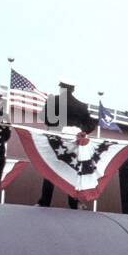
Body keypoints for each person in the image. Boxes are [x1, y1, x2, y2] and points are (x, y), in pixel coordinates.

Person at [37, 80, 96, 208]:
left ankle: (45, 202)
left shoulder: (53, 100)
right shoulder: (81, 106)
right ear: (73, 89)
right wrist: (81, 131)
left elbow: (44, 118)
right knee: (72, 171)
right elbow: (91, 124)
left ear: (61, 88)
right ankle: (74, 203)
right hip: (73, 142)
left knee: (50, 169)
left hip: (56, 140)